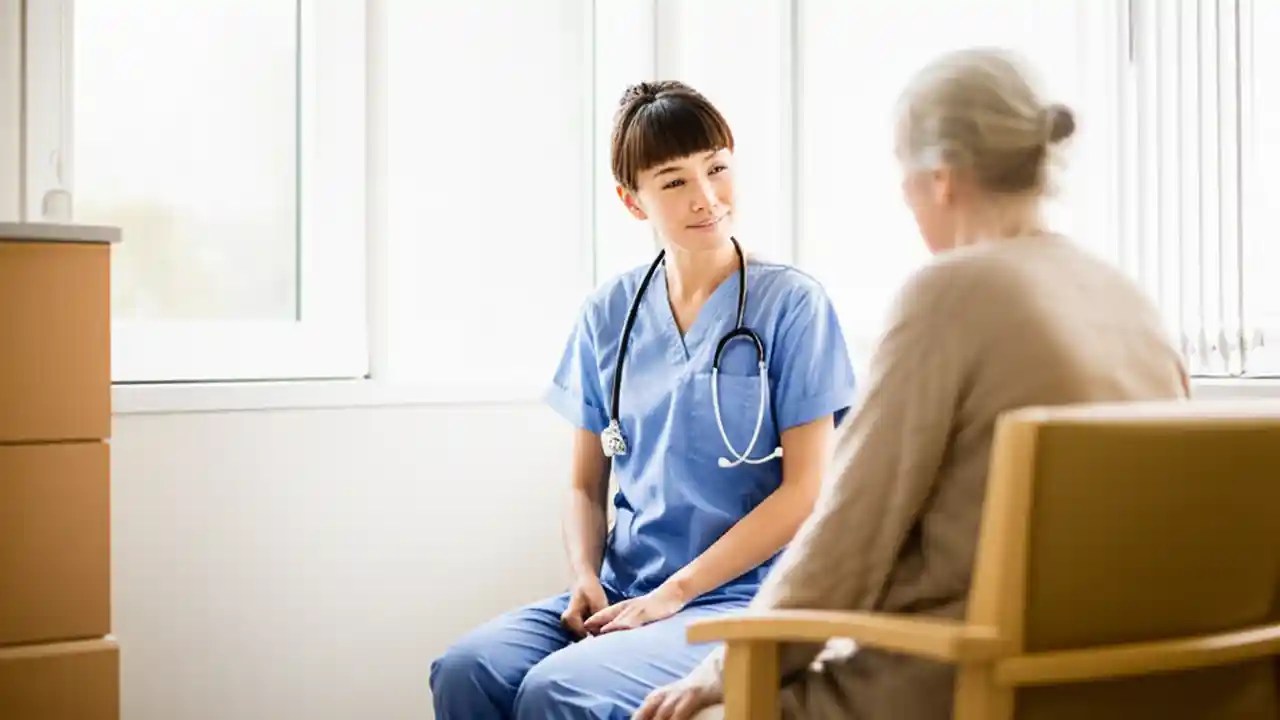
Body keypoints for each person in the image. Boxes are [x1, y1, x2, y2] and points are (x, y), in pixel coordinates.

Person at [636, 47, 1190, 720]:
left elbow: (846, 539)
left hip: (970, 678)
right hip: (1127, 680)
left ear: (943, 177)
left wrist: (721, 669)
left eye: (904, 176)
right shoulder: (1126, 298)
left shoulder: (951, 294)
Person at [428, 80, 858, 719]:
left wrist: (676, 592)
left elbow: (805, 493)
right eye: (675, 180)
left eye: (716, 168)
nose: (707, 197)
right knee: (467, 670)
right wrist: (585, 575)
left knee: (557, 690)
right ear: (633, 202)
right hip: (627, 585)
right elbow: (583, 483)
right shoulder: (611, 312)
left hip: (743, 597)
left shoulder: (793, 306)